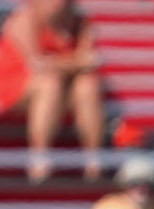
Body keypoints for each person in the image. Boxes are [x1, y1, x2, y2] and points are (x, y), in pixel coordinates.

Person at [0, 0, 100, 183]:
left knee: (87, 85)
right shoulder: (24, 20)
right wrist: (76, 62)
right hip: (16, 86)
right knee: (50, 84)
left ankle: (94, 160)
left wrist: (59, 63)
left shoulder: (79, 22)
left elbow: (90, 61)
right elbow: (37, 65)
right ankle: (39, 158)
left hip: (60, 87)